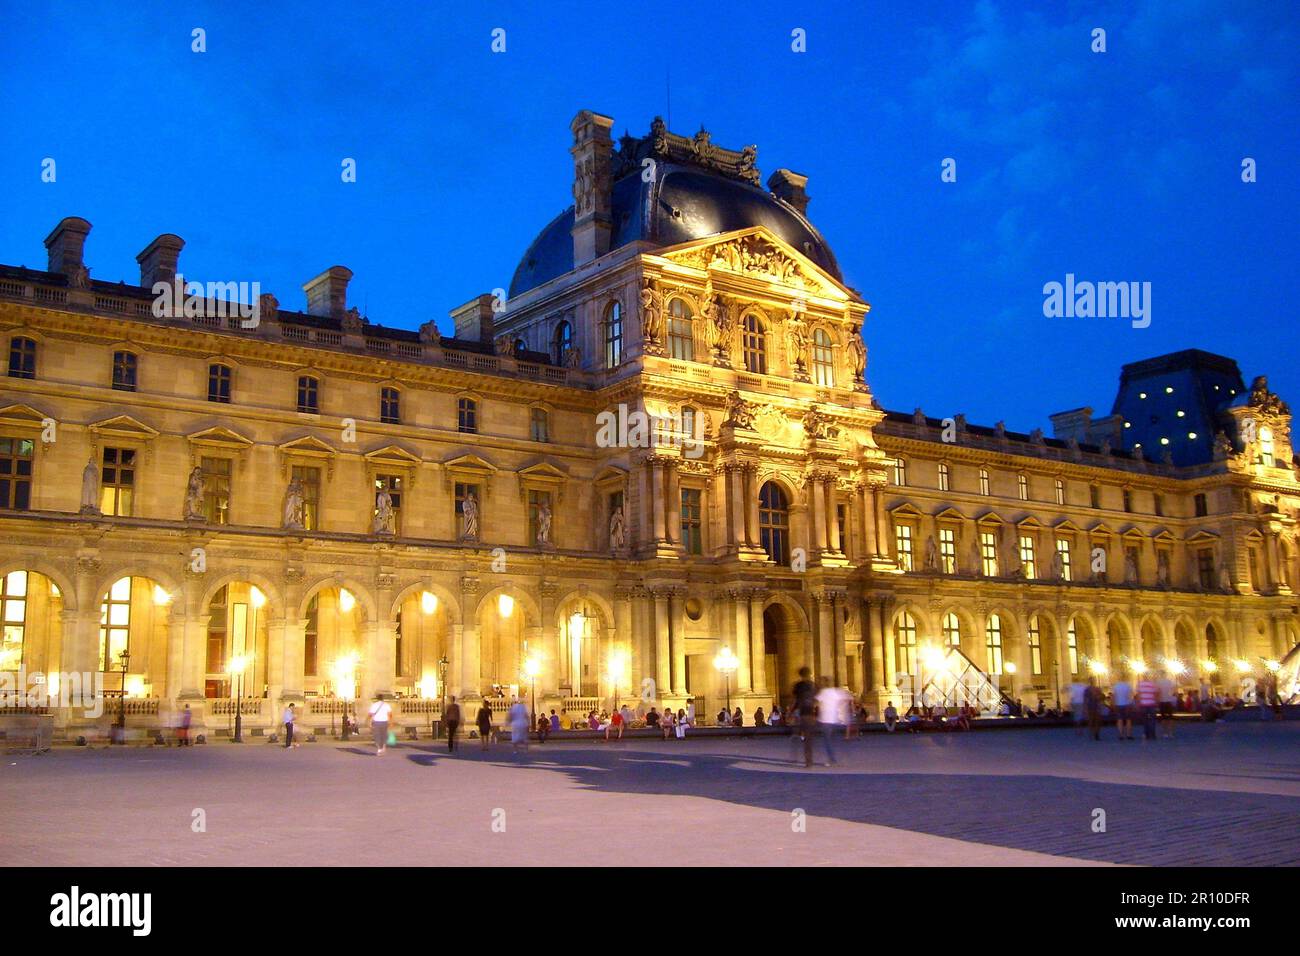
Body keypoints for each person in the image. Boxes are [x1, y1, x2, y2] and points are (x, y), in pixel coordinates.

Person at [792, 668, 818, 767]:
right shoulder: (813, 685)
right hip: (810, 714)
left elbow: (796, 700)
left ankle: (799, 758)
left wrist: (791, 712)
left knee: (798, 735)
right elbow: (816, 700)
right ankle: (809, 761)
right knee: (809, 738)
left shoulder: (798, 686)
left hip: (801, 714)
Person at [1136, 673, 1158, 740]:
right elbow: (1155, 694)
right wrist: (1156, 702)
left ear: (1143, 677)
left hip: (1143, 704)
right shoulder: (1152, 684)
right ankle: (1153, 734)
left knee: (1145, 720)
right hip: (1151, 703)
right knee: (1152, 720)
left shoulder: (1139, 684)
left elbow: (1138, 695)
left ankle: (1146, 734)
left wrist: (1138, 703)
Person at [1111, 675, 1134, 740]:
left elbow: (1113, 696)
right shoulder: (1128, 686)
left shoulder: (1115, 686)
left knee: (1119, 720)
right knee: (1128, 720)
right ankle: (1129, 734)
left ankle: (1120, 735)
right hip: (1127, 704)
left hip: (1118, 704)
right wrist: (1131, 703)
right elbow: (1131, 695)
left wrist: (1113, 704)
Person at [1156, 671, 1177, 738]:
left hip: (1162, 701)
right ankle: (1171, 733)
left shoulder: (1158, 682)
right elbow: (1175, 691)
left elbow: (1158, 692)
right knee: (1171, 718)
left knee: (1163, 718)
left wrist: (1157, 700)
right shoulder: (1170, 681)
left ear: (1160, 675)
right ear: (1166, 675)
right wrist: (1174, 699)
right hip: (1169, 701)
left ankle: (1165, 733)